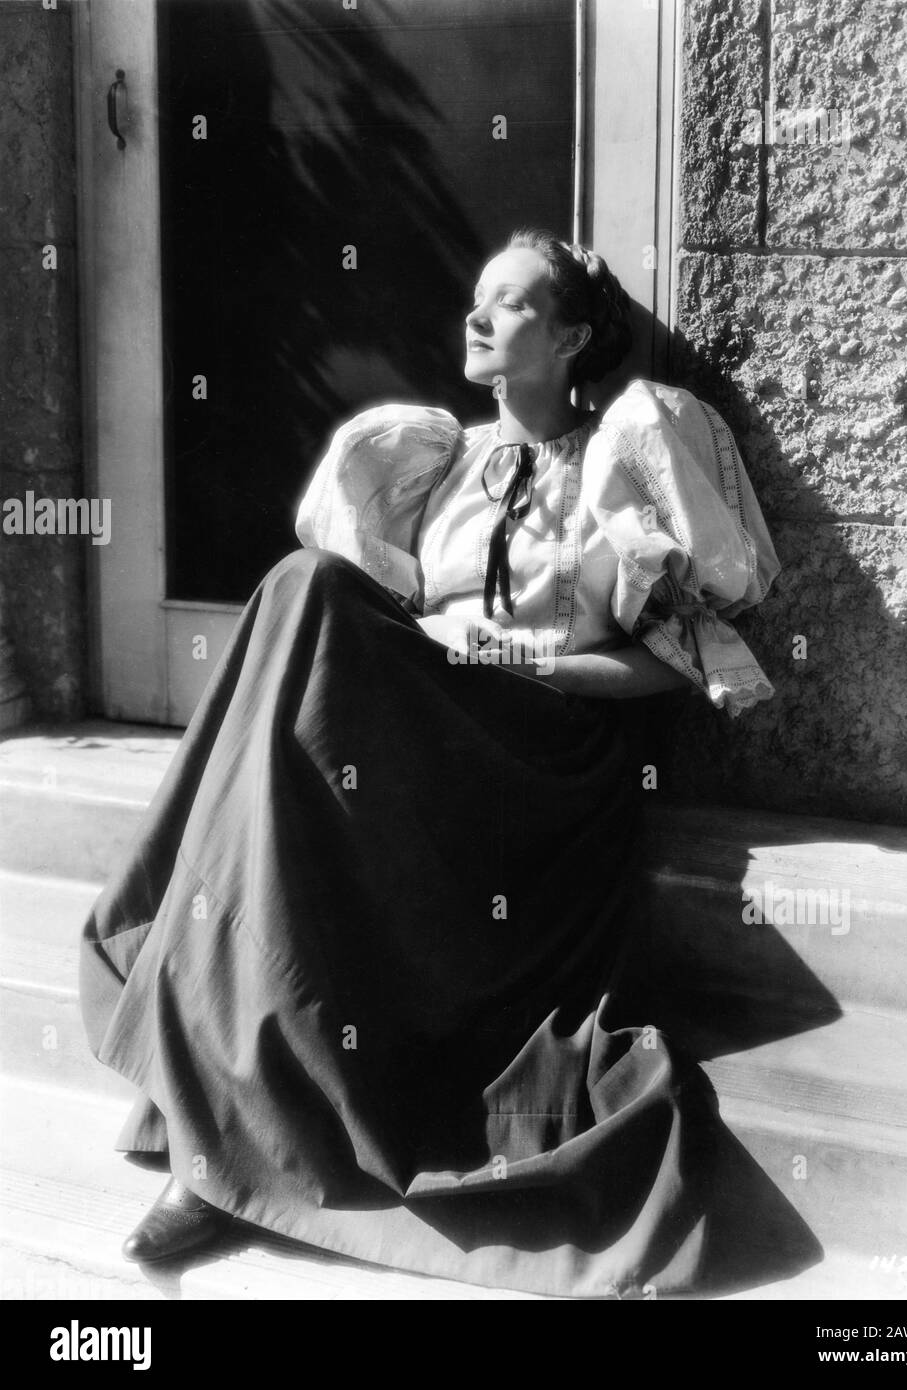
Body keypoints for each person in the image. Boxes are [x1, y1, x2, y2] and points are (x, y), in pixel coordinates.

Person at [80, 228, 781, 1299]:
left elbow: (668, 670)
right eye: (478, 299)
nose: (475, 318)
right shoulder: (432, 458)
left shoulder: (624, 455)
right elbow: (397, 628)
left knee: (310, 605)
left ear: (574, 336)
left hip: (545, 753)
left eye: (507, 306)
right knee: (307, 592)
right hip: (424, 736)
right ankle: (215, 1124)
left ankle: (209, 1128)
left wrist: (523, 660)